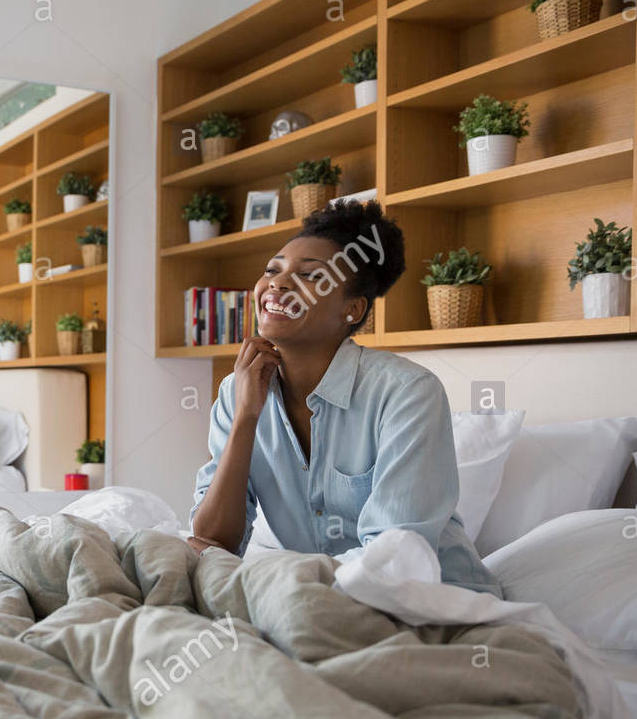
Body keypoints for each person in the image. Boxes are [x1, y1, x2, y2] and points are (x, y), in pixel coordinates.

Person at [189, 199, 501, 596]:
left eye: (310, 276)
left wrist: (278, 584)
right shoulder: (237, 393)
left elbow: (394, 558)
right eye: (273, 270)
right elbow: (215, 541)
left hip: (429, 602)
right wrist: (246, 417)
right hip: (312, 599)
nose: (278, 284)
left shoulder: (406, 394)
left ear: (352, 310)